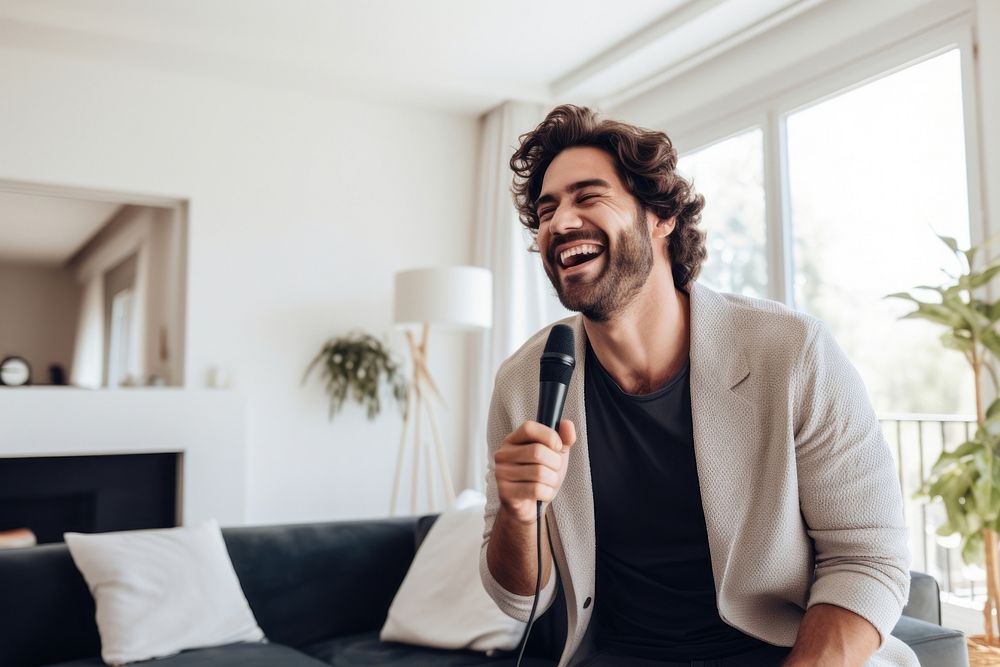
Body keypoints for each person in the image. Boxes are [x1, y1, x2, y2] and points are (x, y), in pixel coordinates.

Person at [479, 105, 916, 667]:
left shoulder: (792, 352)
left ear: (661, 217)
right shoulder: (523, 383)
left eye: (588, 196)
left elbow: (868, 559)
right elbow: (518, 600)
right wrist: (520, 515)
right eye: (547, 209)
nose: (559, 222)